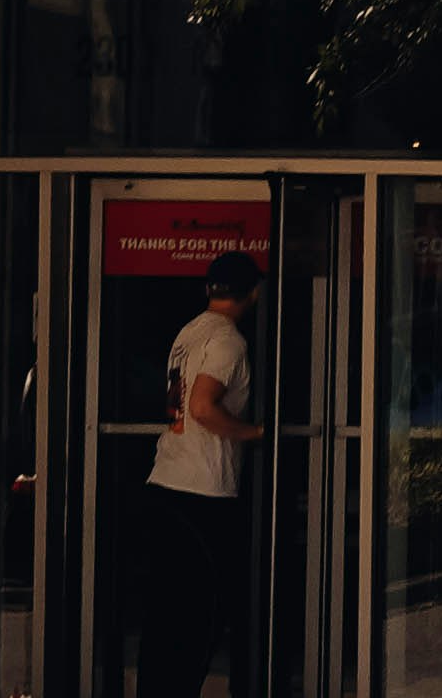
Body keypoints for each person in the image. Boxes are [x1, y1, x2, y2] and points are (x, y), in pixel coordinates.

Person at [141, 250, 266, 698]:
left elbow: (180, 402)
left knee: (166, 617)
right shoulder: (229, 341)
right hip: (203, 492)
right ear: (253, 293)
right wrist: (254, 433)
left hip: (166, 482)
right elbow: (201, 407)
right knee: (200, 619)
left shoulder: (189, 333)